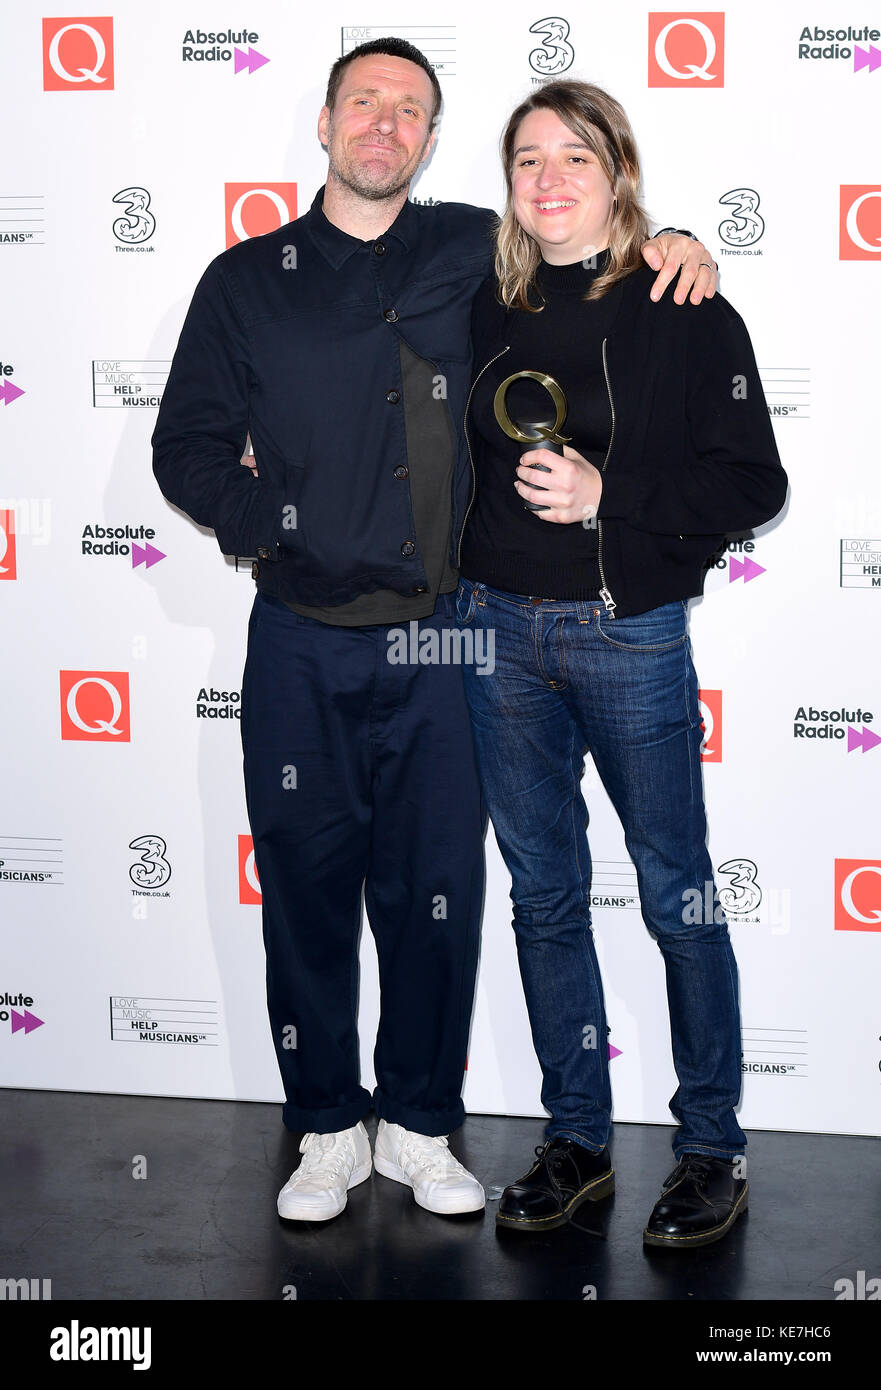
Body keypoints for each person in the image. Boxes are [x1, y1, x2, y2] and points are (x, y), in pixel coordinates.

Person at [151, 37, 720, 1224]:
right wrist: (276, 523)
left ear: (427, 140)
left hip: (449, 633)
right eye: (364, 102)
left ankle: (416, 1120)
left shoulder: (475, 252)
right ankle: (321, 1125)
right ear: (323, 123)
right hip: (300, 634)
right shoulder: (245, 278)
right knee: (307, 889)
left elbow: (589, 254)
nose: (383, 125)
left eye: (410, 111)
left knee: (436, 891)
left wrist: (674, 242)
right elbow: (186, 445)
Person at [457, 80, 787, 1247]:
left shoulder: (681, 302)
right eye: (527, 160)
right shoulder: (478, 294)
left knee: (677, 897)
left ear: (616, 175)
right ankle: (575, 1138)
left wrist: (611, 497)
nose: (548, 179)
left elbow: (754, 484)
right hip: (491, 633)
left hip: (625, 633)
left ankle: (709, 1146)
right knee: (543, 900)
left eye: (573, 159)